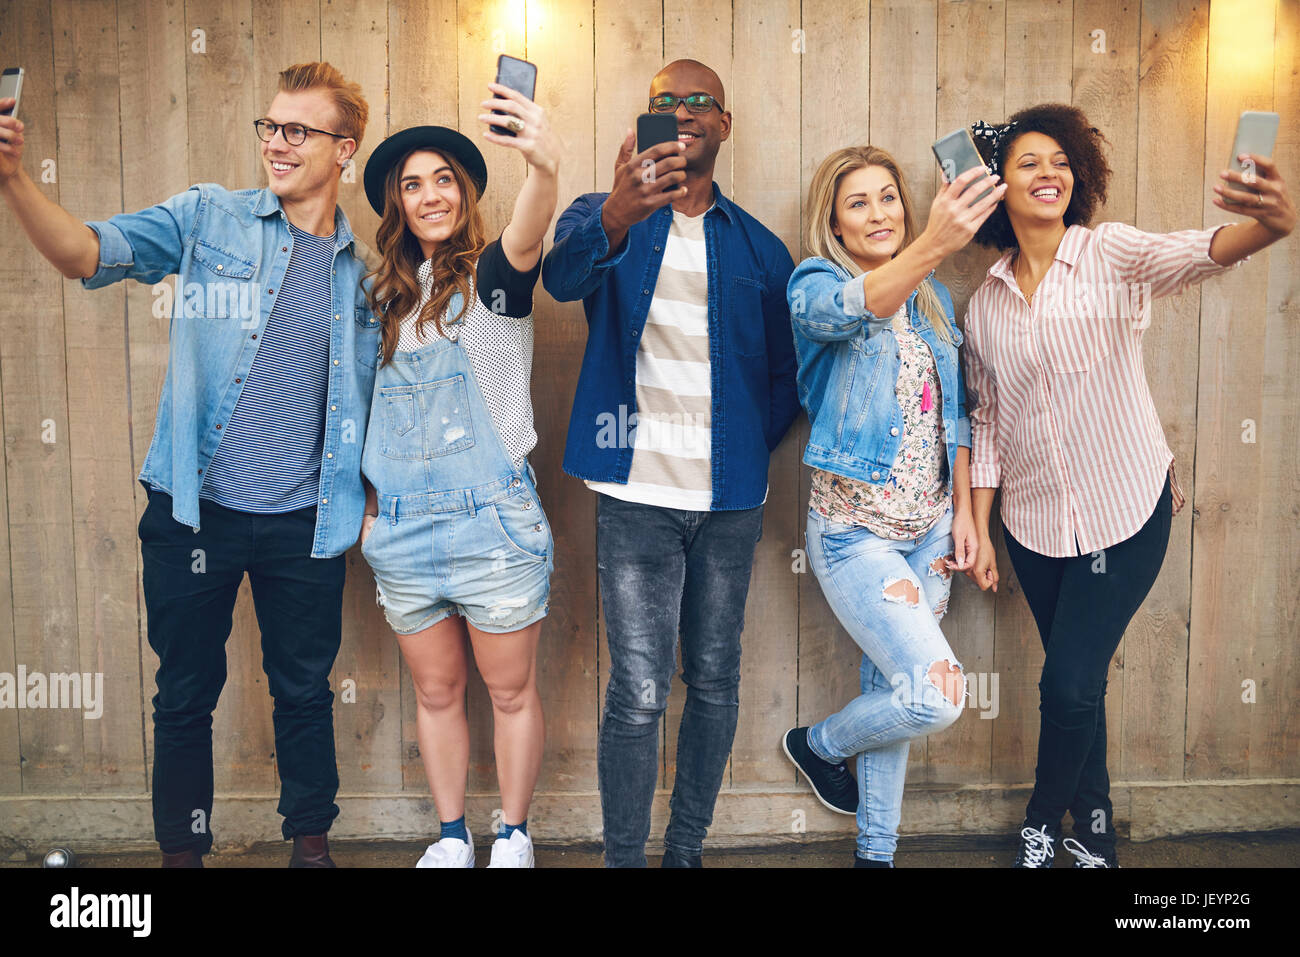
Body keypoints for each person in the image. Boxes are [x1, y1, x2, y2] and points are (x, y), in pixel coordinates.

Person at [0, 63, 378, 867]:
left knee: (304, 694)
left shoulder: (365, 278)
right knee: (183, 698)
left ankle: (311, 849)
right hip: (192, 511)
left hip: (303, 521)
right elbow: (88, 254)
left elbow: (374, 407)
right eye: (270, 127)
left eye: (298, 131)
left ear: (345, 148)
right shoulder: (211, 218)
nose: (277, 143)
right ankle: (183, 857)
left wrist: (373, 496)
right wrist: (13, 180)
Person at [962, 103, 1295, 868]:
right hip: (1036, 523)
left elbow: (1203, 251)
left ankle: (1042, 825)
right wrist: (978, 528)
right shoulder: (982, 306)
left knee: (1068, 682)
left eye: (1060, 160)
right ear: (996, 188)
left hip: (1126, 508)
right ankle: (1098, 831)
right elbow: (988, 425)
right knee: (1078, 689)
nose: (1049, 173)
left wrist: (1268, 226)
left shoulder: (1110, 252)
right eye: (1027, 163)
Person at [542, 59, 800, 867]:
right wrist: (618, 211)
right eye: (664, 102)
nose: (682, 112)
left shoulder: (761, 247)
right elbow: (558, 278)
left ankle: (684, 849)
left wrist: (744, 449)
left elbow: (788, 377)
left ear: (724, 124)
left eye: (699, 101)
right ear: (646, 118)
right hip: (635, 494)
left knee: (715, 679)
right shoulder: (605, 214)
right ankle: (625, 857)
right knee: (641, 689)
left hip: (730, 501)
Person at [781, 146, 1005, 866]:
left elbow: (959, 418)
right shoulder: (816, 284)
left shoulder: (931, 299)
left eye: (888, 197)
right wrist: (935, 242)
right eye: (859, 203)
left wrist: (966, 514)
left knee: (895, 687)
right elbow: (855, 306)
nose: (879, 213)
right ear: (836, 225)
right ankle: (818, 744)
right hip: (854, 536)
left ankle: (876, 853)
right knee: (935, 696)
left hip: (929, 529)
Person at [358, 81, 559, 869]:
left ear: (465, 192)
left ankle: (513, 833)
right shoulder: (381, 299)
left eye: (443, 178)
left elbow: (532, 225)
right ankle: (451, 835)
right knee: (436, 692)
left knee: (510, 691)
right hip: (402, 532)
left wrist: (542, 161)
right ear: (397, 205)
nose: (429, 194)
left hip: (492, 526)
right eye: (412, 184)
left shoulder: (494, 282)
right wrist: (371, 512)